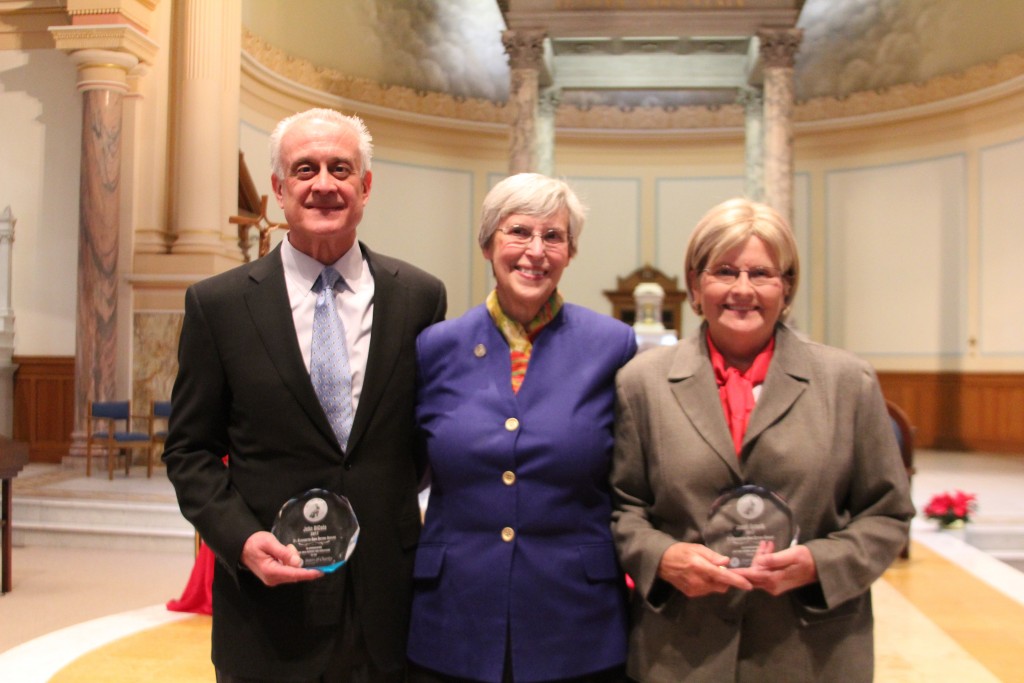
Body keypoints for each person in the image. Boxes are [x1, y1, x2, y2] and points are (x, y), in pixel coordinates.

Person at [163, 107, 447, 683]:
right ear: (278, 189)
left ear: (365, 186)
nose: (324, 184)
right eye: (305, 169)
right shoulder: (217, 305)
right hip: (269, 605)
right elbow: (189, 450)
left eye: (341, 169)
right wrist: (241, 540)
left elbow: (426, 438)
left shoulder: (420, 298)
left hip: (387, 604)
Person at [611, 198, 914, 682]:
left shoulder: (847, 381)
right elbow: (623, 508)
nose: (742, 290)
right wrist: (663, 557)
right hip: (681, 653)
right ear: (695, 283)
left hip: (809, 650)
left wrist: (820, 563)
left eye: (762, 274)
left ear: (786, 286)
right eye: (725, 271)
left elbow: (888, 513)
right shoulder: (641, 382)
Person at [407, 173, 637, 683]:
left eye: (553, 236)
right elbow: (405, 470)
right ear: (488, 243)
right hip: (453, 618)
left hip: (577, 623)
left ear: (570, 252)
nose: (536, 250)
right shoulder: (436, 347)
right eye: (518, 232)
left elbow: (633, 481)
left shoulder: (613, 346)